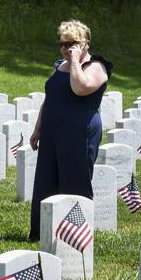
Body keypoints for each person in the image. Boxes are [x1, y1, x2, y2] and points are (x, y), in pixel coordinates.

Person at [28, 19, 110, 240]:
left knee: (74, 178)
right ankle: (43, 231)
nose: (66, 48)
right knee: (47, 179)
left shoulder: (97, 67)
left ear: (85, 43)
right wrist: (38, 129)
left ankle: (75, 232)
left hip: (79, 130)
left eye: (72, 43)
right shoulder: (59, 66)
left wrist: (75, 60)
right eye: (63, 44)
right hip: (53, 130)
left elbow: (80, 88)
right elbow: (50, 99)